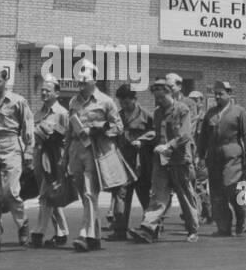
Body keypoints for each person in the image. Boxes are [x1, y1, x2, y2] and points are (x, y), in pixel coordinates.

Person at [65, 61, 128, 251]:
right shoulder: (73, 102)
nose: (81, 84)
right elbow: (69, 130)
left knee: (89, 192)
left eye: (85, 81)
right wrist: (65, 155)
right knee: (85, 195)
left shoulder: (106, 101)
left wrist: (100, 129)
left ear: (94, 80)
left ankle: (86, 234)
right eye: (79, 81)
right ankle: (95, 237)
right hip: (76, 149)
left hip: (95, 150)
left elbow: (118, 127)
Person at [130, 78, 200, 244]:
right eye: (156, 98)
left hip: (180, 160)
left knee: (185, 197)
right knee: (158, 195)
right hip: (161, 161)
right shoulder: (157, 112)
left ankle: (193, 230)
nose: (159, 101)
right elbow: (156, 133)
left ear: (170, 93)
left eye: (161, 97)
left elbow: (185, 135)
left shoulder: (183, 109)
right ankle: (148, 228)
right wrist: (143, 140)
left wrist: (168, 146)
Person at [0, 66, 34, 252]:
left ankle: (22, 223)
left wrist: (28, 151)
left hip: (12, 147)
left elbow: (28, 126)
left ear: (5, 80)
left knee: (10, 191)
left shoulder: (18, 101)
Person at [205, 80, 246, 237]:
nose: (218, 97)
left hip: (233, 154)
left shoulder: (239, 112)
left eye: (221, 94)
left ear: (229, 94)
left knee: (231, 186)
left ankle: (242, 214)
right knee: (216, 192)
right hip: (214, 155)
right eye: (216, 94)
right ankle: (224, 227)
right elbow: (203, 137)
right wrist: (200, 155)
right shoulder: (211, 113)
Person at [110, 83, 155, 241]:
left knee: (145, 196)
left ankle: (152, 228)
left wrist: (142, 140)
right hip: (123, 162)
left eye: (126, 102)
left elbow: (155, 132)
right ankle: (119, 230)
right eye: (121, 102)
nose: (124, 105)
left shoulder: (146, 115)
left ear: (134, 99)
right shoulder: (118, 116)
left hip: (141, 162)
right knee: (122, 195)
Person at [31, 76, 70, 248]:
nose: (44, 92)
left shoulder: (62, 113)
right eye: (42, 90)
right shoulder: (38, 113)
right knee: (52, 196)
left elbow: (67, 136)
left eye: (48, 90)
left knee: (46, 195)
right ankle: (62, 232)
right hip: (39, 158)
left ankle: (38, 233)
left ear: (57, 93)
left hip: (54, 159)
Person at [188, 90, 212, 224]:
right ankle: (204, 212)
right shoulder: (192, 117)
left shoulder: (204, 119)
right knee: (195, 185)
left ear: (200, 102)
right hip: (191, 155)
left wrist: (200, 156)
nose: (192, 102)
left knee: (199, 185)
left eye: (195, 100)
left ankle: (205, 212)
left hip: (200, 156)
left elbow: (204, 139)